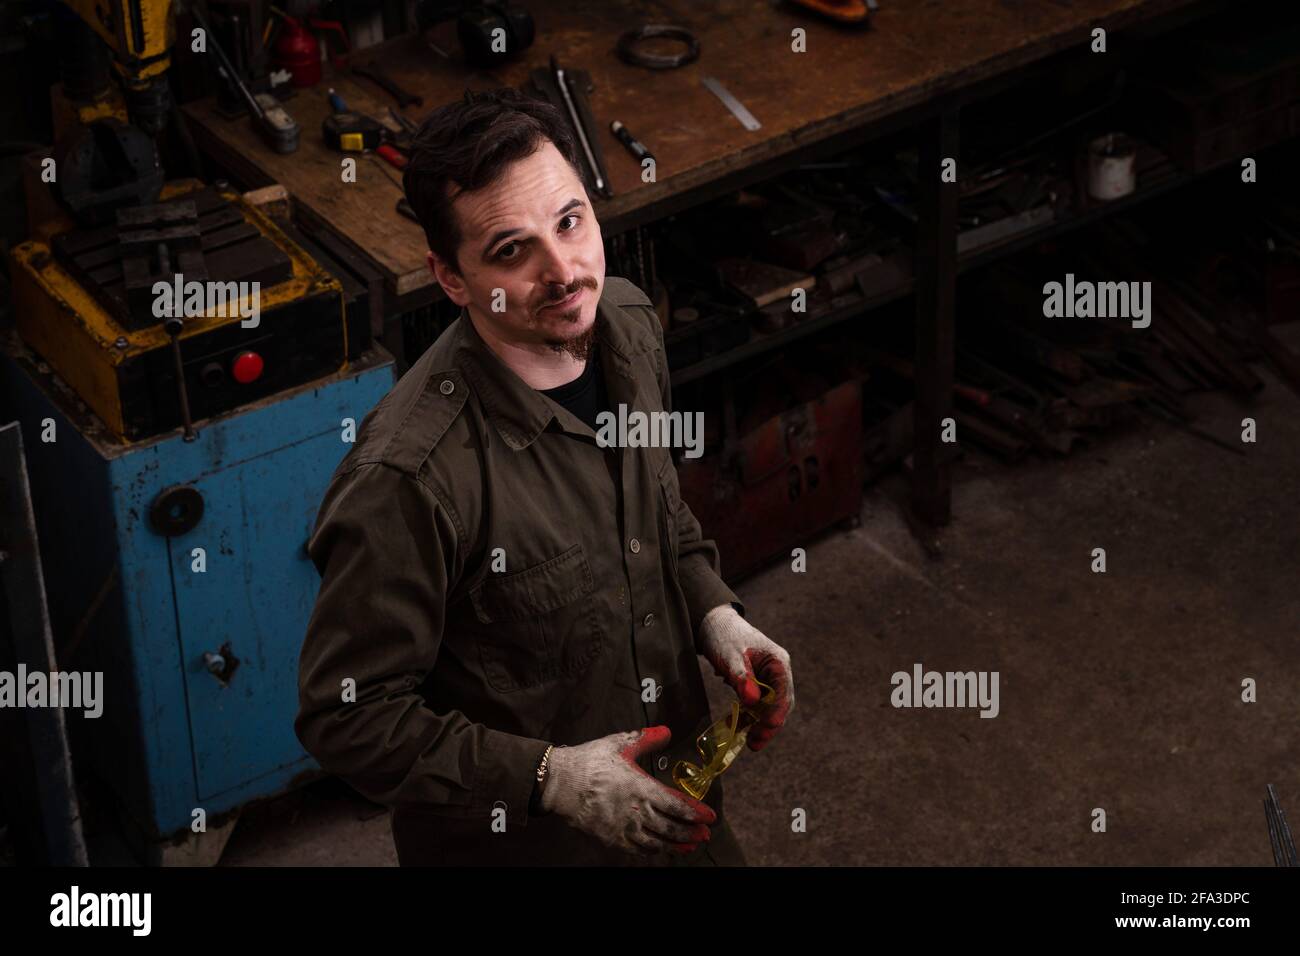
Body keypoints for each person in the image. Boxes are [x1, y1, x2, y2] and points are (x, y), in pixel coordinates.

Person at [294, 88, 795, 866]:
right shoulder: (409, 478)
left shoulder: (627, 326)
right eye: (510, 250)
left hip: (678, 810)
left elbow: (657, 524)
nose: (563, 272)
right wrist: (554, 779)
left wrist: (715, 619)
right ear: (452, 279)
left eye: (570, 223)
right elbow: (345, 716)